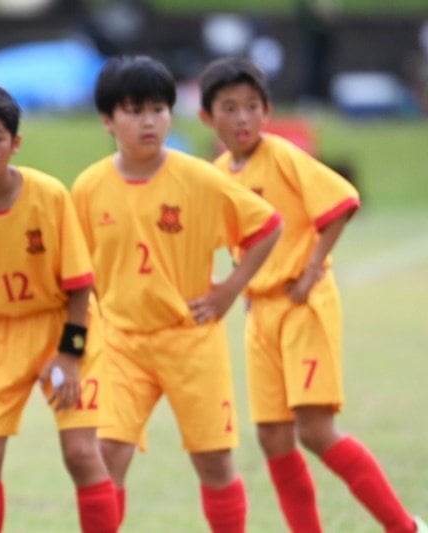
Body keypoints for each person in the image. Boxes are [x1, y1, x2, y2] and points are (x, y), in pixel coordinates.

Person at [198, 56, 427, 533]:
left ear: (267, 110)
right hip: (261, 313)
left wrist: (311, 266)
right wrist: (241, 280)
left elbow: (341, 203)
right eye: (229, 108)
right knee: (273, 437)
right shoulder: (219, 172)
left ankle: (403, 526)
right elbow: (232, 235)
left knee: (315, 431)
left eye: (251, 107)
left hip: (302, 306)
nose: (242, 118)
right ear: (207, 117)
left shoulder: (281, 155)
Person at [71, 55, 282, 532]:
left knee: (213, 463)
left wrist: (228, 290)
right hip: (121, 343)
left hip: (192, 341)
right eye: (134, 110)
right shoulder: (88, 187)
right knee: (106, 458)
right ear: (108, 120)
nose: (149, 121)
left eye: (159, 109)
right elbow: (76, 271)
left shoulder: (201, 178)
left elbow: (268, 225)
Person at [0, 84, 120, 533]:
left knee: (82, 453)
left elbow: (81, 287)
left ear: (15, 143)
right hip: (1, 334)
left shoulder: (48, 194)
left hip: (66, 326)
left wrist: (70, 354)